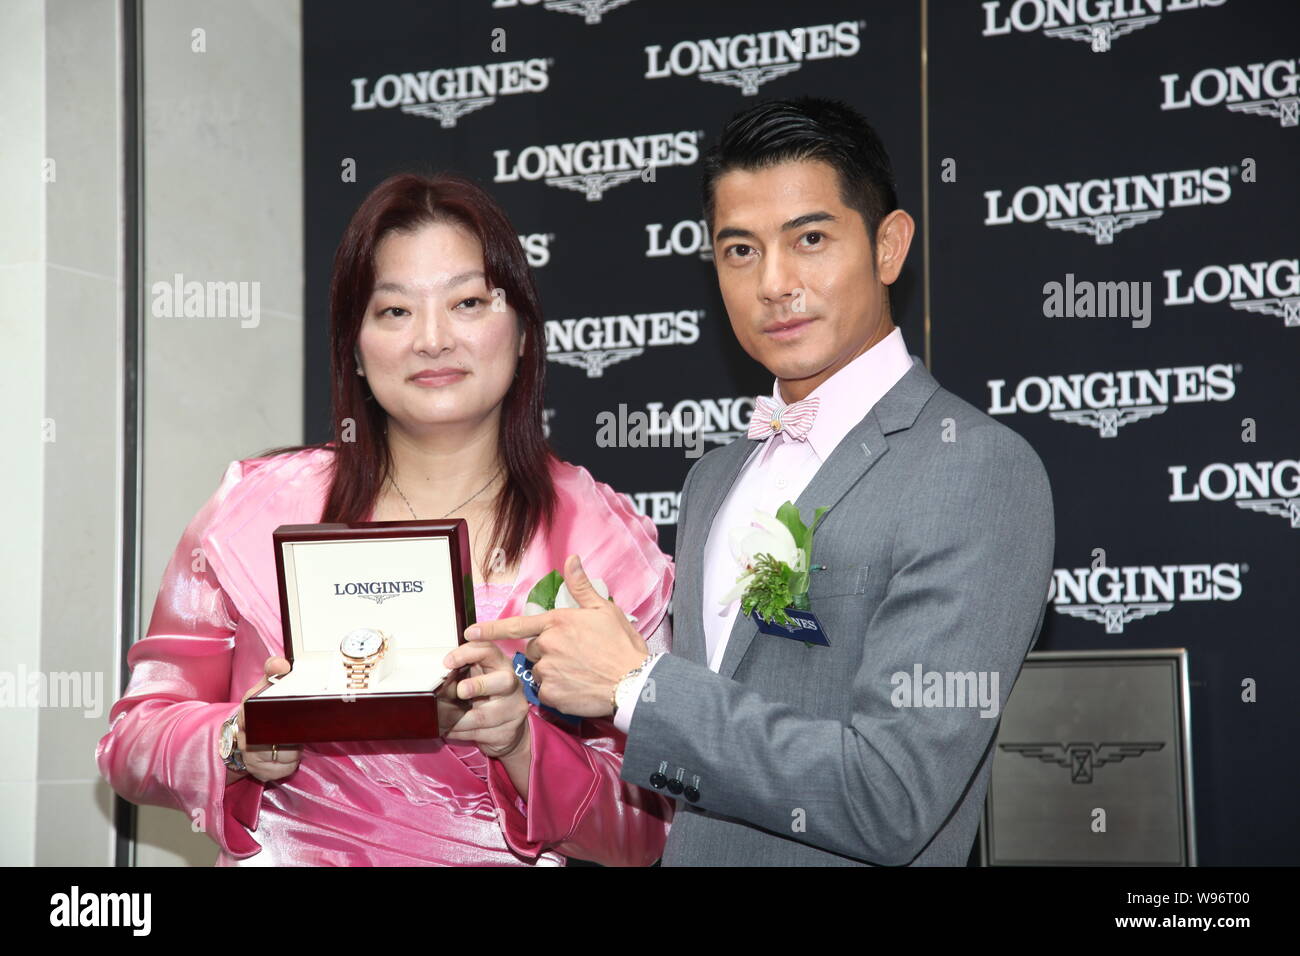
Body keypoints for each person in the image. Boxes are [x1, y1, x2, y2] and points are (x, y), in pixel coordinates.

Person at [470, 97, 1057, 866]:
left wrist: (637, 686)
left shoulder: (974, 467)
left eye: (810, 239)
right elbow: (686, 778)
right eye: (739, 251)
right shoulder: (713, 479)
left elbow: (896, 795)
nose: (774, 283)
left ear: (889, 246)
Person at [96, 172, 675, 866]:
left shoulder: (599, 543)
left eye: (466, 302)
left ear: (523, 331)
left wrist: (523, 745)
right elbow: (130, 743)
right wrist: (238, 738)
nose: (432, 340)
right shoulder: (255, 509)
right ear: (357, 349)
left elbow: (650, 829)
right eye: (395, 311)